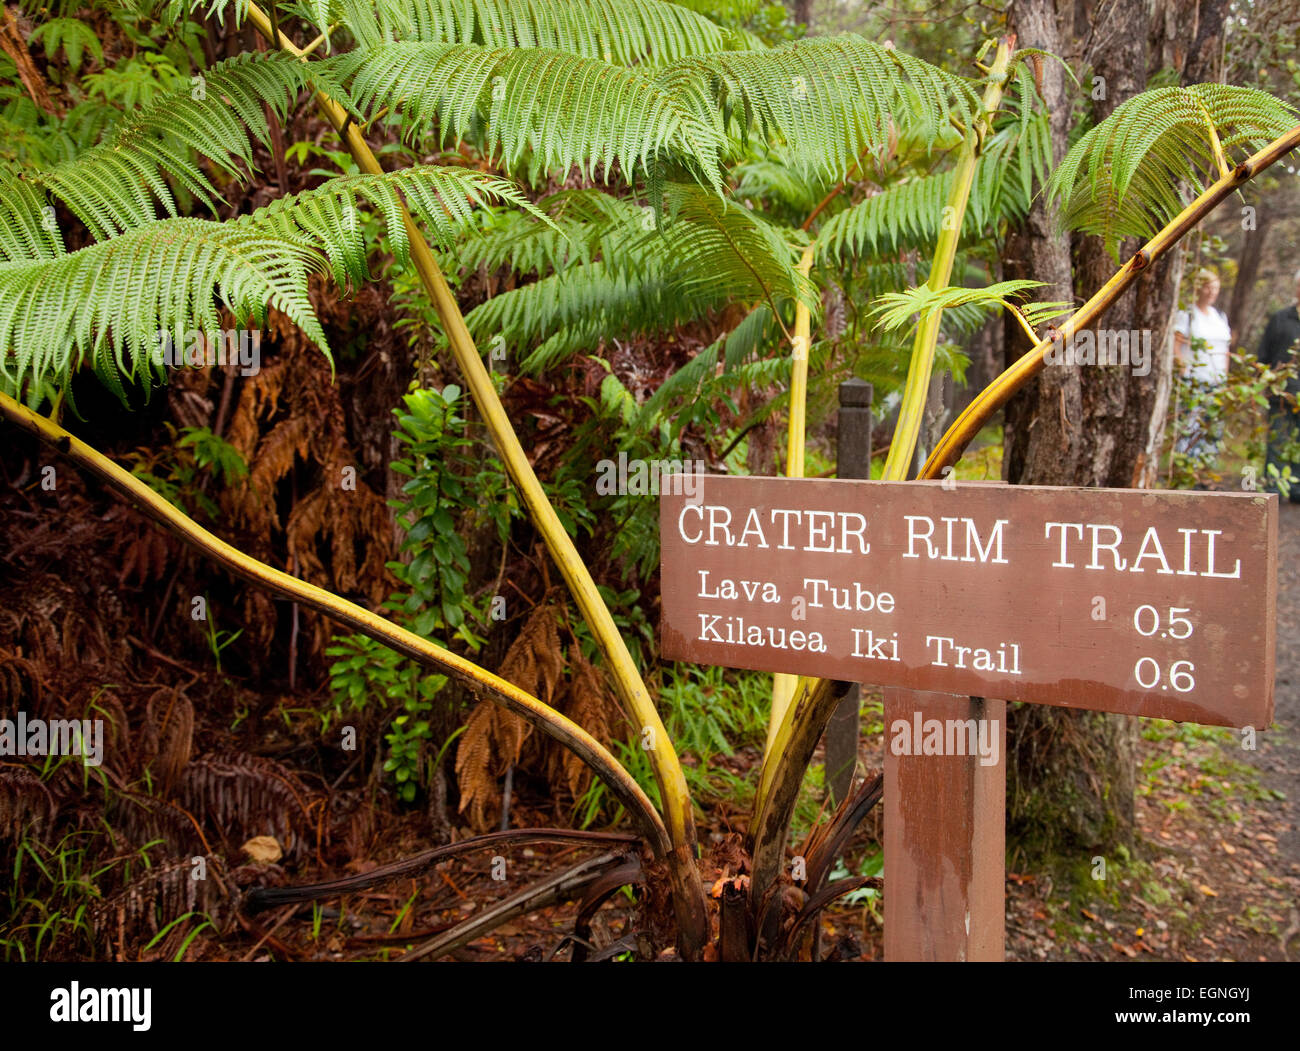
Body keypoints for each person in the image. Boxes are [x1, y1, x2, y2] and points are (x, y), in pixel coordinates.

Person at [1172, 269, 1232, 462]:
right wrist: (1183, 370)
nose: (1212, 292)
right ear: (1199, 288)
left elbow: (1226, 348)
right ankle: (1186, 463)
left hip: (1217, 381)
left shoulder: (1219, 316)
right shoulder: (1188, 314)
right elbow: (1176, 343)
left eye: (1215, 288)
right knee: (1190, 426)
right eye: (1208, 287)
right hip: (1195, 380)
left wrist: (1226, 378)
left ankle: (1205, 471)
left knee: (1212, 428)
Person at [1256, 268, 1300, 501]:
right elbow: (1263, 354)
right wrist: (1261, 384)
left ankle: (1296, 490)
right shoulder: (1280, 318)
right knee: (1278, 443)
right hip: (1280, 394)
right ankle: (1272, 491)